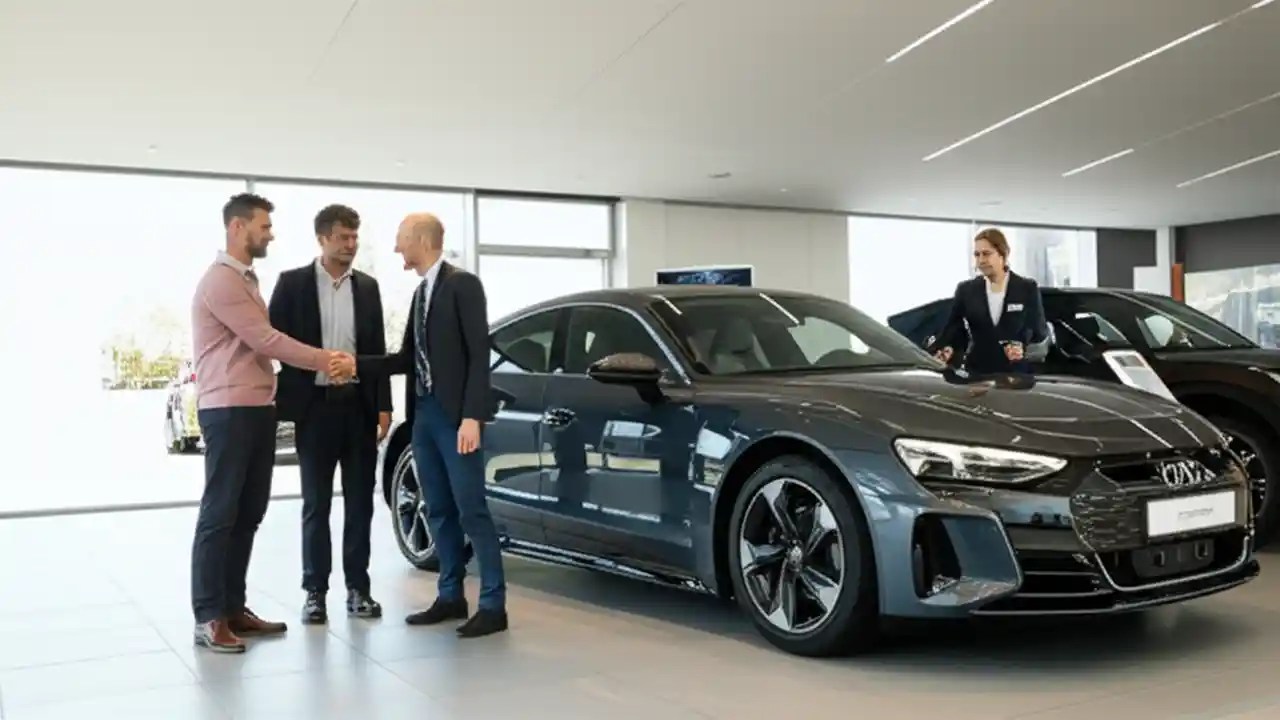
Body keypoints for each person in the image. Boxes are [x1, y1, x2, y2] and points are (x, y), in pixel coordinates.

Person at [189, 192, 355, 654]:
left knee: (248, 513)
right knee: (220, 514)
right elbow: (264, 339)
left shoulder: (246, 280)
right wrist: (327, 358)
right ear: (237, 228)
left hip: (258, 408)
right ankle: (208, 616)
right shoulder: (221, 281)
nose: (270, 233)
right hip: (228, 410)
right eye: (263, 226)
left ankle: (233, 607)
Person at [342, 212, 507, 638]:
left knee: (471, 509)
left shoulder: (462, 285)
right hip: (424, 416)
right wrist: (354, 363)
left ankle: (493, 604)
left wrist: (473, 417)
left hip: (456, 419)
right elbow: (404, 359)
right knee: (437, 508)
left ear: (420, 239)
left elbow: (478, 355)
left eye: (400, 240)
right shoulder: (421, 294)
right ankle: (450, 595)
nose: (397, 248)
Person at [267, 203, 391, 624]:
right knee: (315, 505)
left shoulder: (369, 288)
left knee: (361, 504)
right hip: (313, 410)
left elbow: (375, 348)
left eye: (355, 238)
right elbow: (272, 344)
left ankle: (358, 589)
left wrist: (384, 405)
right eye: (342, 238)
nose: (350, 246)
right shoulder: (292, 284)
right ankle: (314, 593)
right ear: (322, 238)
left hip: (358, 409)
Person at [933, 227, 1048, 375]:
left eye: (986, 254)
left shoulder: (1027, 288)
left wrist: (1023, 349)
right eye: (977, 255)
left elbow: (1039, 332)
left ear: (1003, 255)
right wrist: (949, 348)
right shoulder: (966, 290)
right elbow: (954, 331)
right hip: (977, 374)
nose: (981, 260)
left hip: (1016, 375)